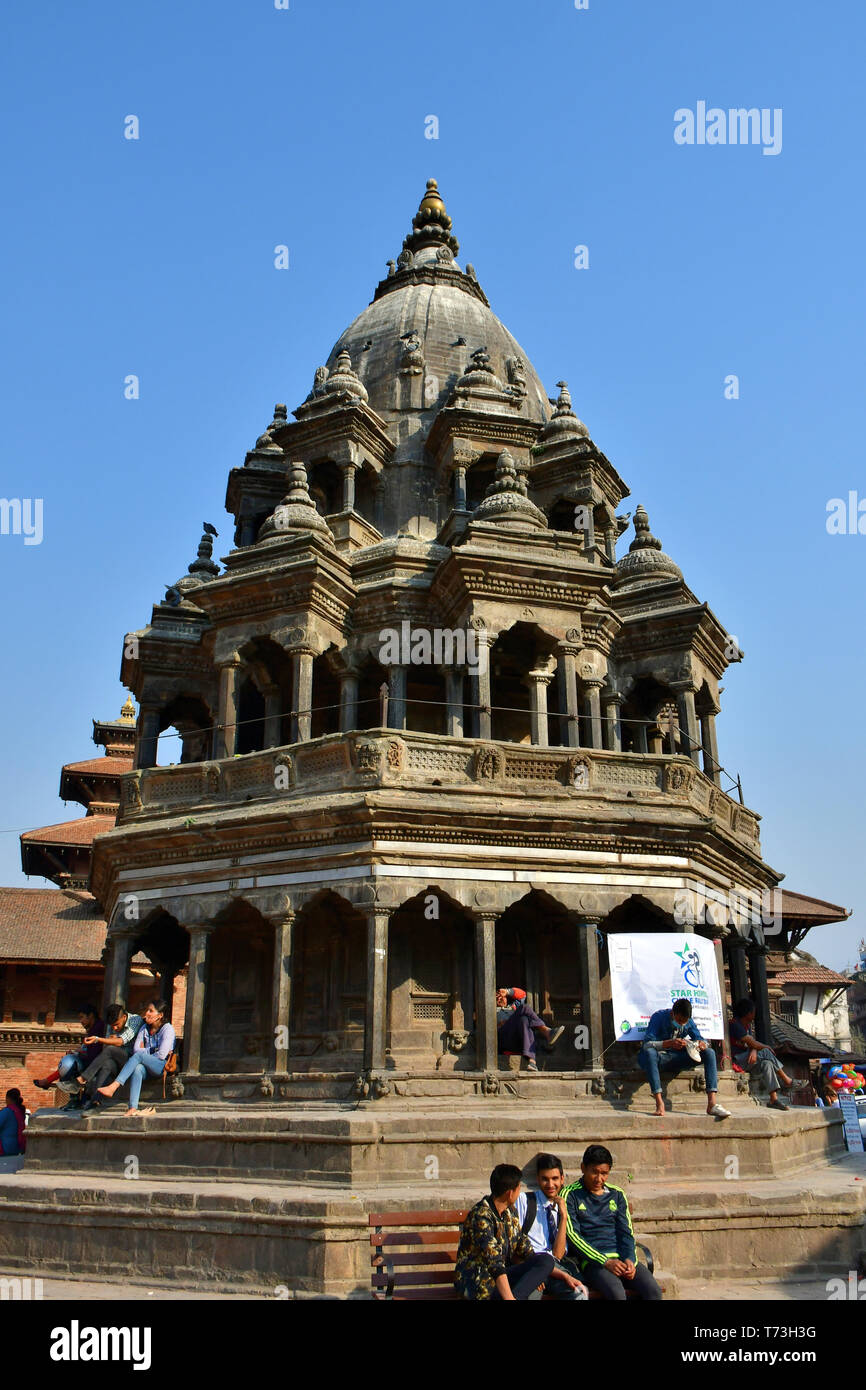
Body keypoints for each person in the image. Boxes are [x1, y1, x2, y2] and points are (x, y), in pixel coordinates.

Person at [562, 1144, 662, 1301]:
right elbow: (573, 1236)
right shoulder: (570, 1194)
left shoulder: (617, 1194)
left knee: (654, 1291)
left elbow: (626, 1232)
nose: (599, 1178)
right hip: (593, 1262)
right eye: (594, 1172)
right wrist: (605, 1261)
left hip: (622, 1259)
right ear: (583, 1168)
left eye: (604, 1173)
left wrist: (630, 1259)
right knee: (617, 1294)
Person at [454, 1162, 554, 1300]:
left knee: (546, 1260)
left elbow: (525, 1249)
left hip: (502, 1277)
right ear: (510, 1193)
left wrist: (563, 1276)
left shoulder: (510, 1212)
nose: (520, 1192)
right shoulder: (481, 1215)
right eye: (519, 1188)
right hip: (477, 1282)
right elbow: (494, 1263)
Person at [637, 998, 730, 1119]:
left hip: (677, 1058)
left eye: (684, 1022)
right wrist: (669, 1043)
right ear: (673, 1013)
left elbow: (701, 1039)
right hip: (660, 1058)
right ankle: (659, 1102)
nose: (681, 1024)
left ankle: (712, 1103)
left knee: (709, 1052)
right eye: (679, 1020)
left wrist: (701, 1044)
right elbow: (647, 1044)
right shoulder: (659, 1017)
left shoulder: (688, 1022)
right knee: (650, 1053)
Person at [513, 1153, 588, 1300]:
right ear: (538, 1179)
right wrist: (532, 1271)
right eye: (545, 1179)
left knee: (579, 1293)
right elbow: (514, 1245)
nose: (550, 1184)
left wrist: (564, 1217)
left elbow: (558, 1255)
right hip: (532, 1264)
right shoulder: (525, 1201)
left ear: (562, 1179)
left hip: (556, 1267)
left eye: (554, 1179)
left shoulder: (565, 1206)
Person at [97, 1000, 176, 1115]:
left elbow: (162, 1055)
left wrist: (145, 1052)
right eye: (147, 1010)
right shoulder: (144, 1028)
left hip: (160, 1065)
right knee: (137, 1068)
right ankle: (132, 1107)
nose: (147, 1013)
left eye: (151, 1011)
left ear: (160, 1015)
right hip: (146, 1066)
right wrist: (153, 1050)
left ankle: (114, 1086)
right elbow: (135, 1049)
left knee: (139, 1056)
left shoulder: (167, 1029)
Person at [729, 998, 798, 1110]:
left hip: (749, 1059)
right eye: (753, 1011)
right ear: (748, 1013)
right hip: (737, 1060)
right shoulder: (735, 1024)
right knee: (766, 1051)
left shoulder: (747, 1026)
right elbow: (752, 1042)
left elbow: (753, 1044)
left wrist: (754, 1049)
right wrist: (765, 1046)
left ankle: (773, 1099)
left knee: (767, 1063)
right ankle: (787, 1080)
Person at [33, 1005, 104, 1112]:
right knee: (68, 1061)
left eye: (82, 1017)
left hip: (96, 1064)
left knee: (69, 1063)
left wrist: (80, 1052)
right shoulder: (93, 1029)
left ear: (91, 1016)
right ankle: (49, 1082)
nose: (80, 1021)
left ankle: (73, 1099)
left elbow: (95, 1053)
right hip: (90, 1061)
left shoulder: (99, 1028)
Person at [75, 1003, 144, 1112]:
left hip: (133, 1061)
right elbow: (111, 1042)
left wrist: (98, 1039)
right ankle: (95, 1100)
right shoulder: (112, 1025)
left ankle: (84, 1077)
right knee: (108, 1064)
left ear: (124, 1017)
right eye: (112, 1026)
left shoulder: (135, 1020)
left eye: (117, 1025)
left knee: (110, 1050)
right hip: (119, 1061)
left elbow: (120, 1041)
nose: (115, 1028)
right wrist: (110, 1039)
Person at [496, 988, 564, 1072]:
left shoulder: (512, 1008)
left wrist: (507, 992)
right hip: (503, 1040)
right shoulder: (492, 1011)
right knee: (524, 1007)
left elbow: (523, 995)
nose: (500, 998)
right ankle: (546, 1031)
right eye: (496, 997)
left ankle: (532, 1062)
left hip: (517, 1040)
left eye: (501, 996)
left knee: (524, 1020)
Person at [0, 1088, 27, 1156]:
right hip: (17, 1147)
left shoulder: (7, 1111)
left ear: (8, 1098)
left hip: (4, 1147)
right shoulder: (20, 1111)